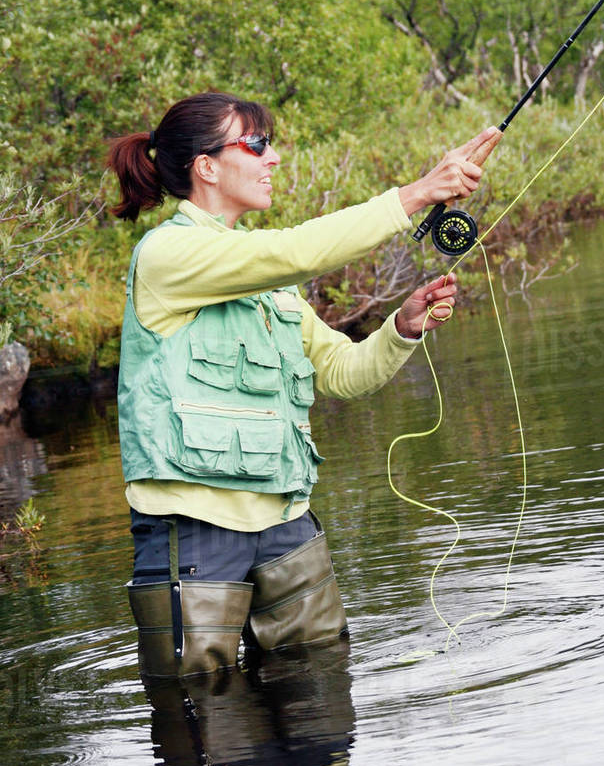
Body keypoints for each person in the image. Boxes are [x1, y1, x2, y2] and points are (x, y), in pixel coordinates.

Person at [106, 90, 497, 679]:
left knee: (320, 696)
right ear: (206, 167)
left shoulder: (268, 282)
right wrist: (419, 193)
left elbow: (345, 372)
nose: (274, 158)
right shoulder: (169, 255)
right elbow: (296, 251)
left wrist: (403, 326)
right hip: (193, 526)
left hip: (287, 520)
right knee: (205, 716)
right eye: (257, 145)